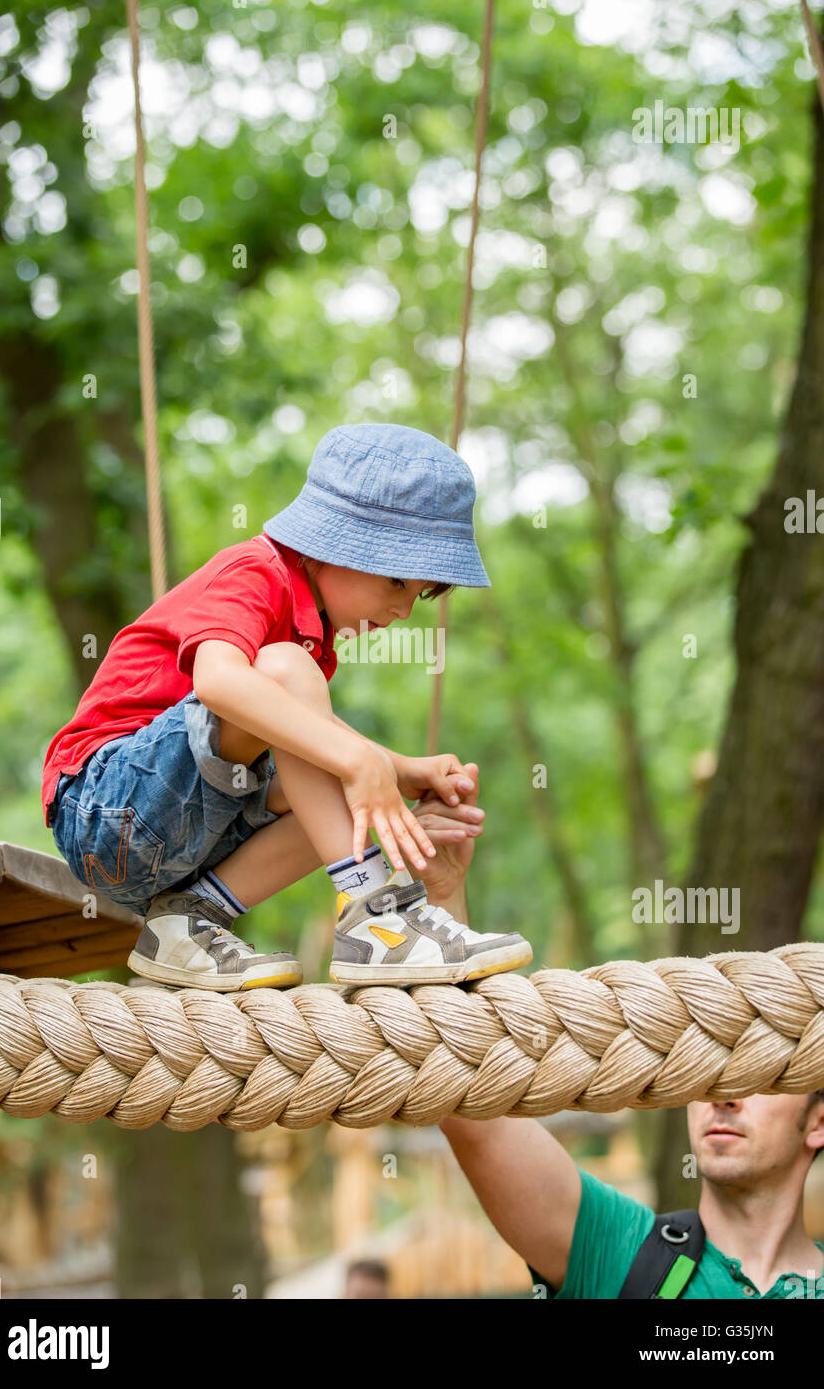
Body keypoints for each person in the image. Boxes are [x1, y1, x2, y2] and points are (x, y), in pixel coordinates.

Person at [41, 423, 532, 990]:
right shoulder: (256, 573)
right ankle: (375, 912)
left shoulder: (313, 638)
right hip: (106, 808)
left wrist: (403, 769)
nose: (404, 611)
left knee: (320, 763)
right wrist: (355, 760)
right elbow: (220, 683)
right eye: (396, 581)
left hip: (176, 836)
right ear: (338, 542)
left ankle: (188, 921)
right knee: (294, 692)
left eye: (417, 594)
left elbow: (306, 738)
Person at [425, 804, 824, 1299]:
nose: (724, 1097)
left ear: (818, 1121)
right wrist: (441, 896)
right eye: (711, 1073)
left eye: (757, 1077)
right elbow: (470, 1102)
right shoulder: (621, 1253)